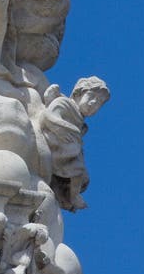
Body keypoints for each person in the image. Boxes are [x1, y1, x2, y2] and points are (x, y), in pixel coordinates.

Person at [41, 76, 110, 210]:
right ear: (78, 94)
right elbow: (49, 116)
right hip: (54, 141)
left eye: (98, 103)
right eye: (91, 96)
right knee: (77, 169)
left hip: (68, 147)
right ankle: (72, 197)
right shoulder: (64, 103)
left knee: (83, 177)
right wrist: (66, 129)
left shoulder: (81, 122)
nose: (93, 103)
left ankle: (70, 194)